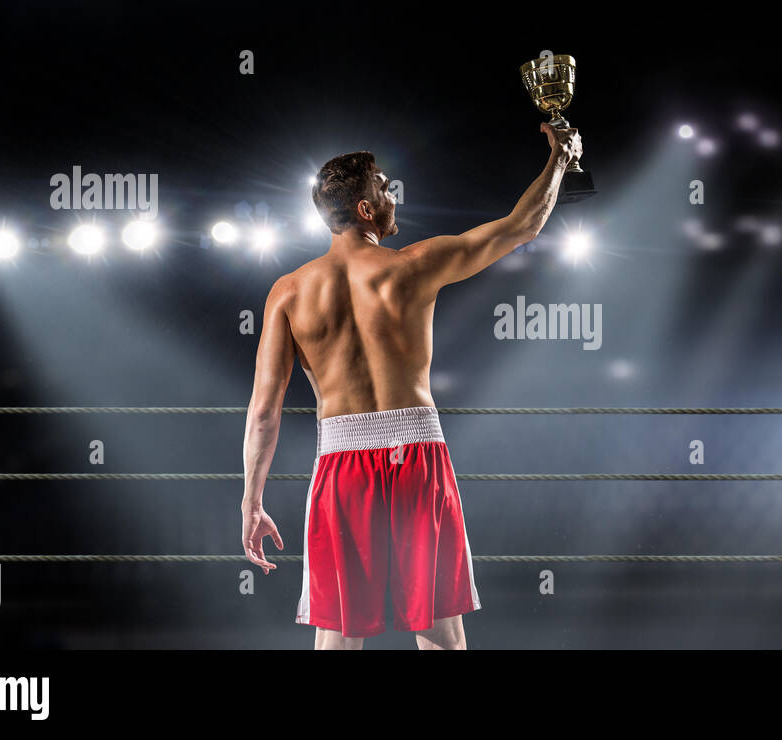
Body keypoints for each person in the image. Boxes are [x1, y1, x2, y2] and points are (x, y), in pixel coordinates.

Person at [240, 122, 583, 649]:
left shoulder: (288, 293)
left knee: (337, 638)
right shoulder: (411, 267)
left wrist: (252, 502)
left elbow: (265, 411)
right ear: (364, 208)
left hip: (340, 464)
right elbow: (520, 227)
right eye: (383, 186)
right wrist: (560, 159)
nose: (392, 194)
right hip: (416, 454)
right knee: (441, 634)